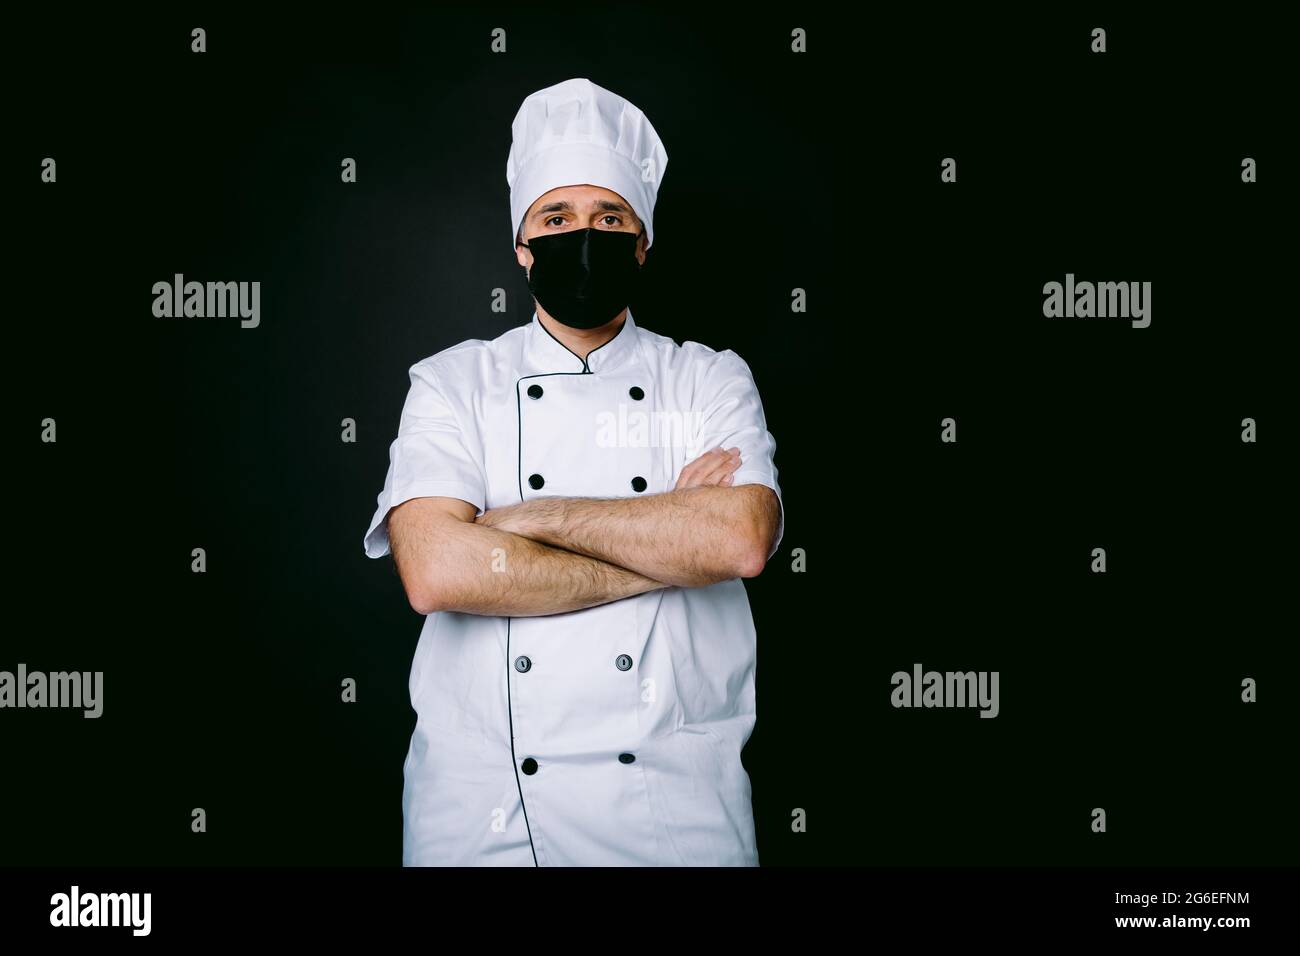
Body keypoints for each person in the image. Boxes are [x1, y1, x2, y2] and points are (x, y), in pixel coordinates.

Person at [363, 77, 784, 865]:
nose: (582, 236)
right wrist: (664, 549)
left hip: (673, 813)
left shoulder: (709, 379)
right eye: (557, 218)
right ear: (522, 246)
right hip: (486, 818)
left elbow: (738, 543)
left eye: (609, 218)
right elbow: (436, 572)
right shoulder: (452, 383)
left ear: (642, 241)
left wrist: (527, 520)